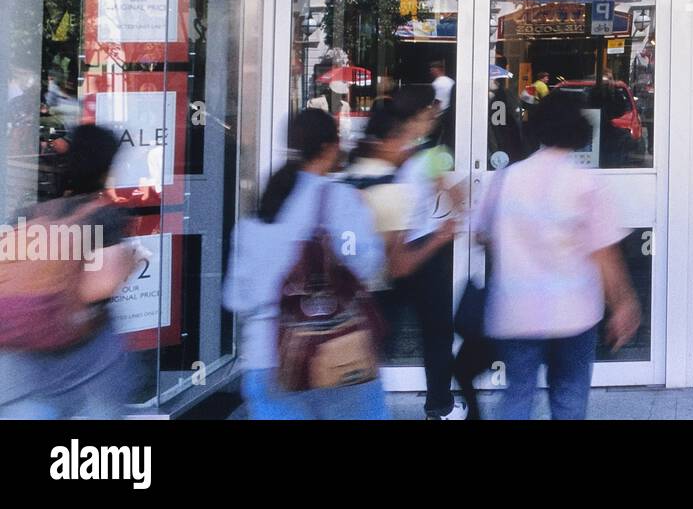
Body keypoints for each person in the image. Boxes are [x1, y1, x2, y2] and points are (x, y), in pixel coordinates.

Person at [478, 91, 640, 420]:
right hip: (573, 314)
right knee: (568, 398)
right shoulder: (587, 185)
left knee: (517, 396)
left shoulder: (504, 179)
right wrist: (623, 303)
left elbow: (484, 237)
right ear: (580, 130)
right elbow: (605, 255)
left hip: (515, 311)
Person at [223, 108, 388, 419]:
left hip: (265, 360)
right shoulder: (339, 200)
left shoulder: (260, 210)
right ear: (329, 147)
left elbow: (236, 297)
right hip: (334, 355)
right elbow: (365, 263)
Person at [0, 125, 144, 419]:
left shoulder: (31, 213)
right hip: (83, 363)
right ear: (107, 166)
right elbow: (98, 287)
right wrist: (129, 263)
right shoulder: (103, 216)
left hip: (18, 361)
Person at [346, 94, 465, 420]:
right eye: (427, 115)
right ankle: (439, 407)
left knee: (384, 333)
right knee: (435, 333)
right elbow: (455, 195)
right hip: (420, 251)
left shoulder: (391, 157)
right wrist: (450, 218)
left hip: (390, 253)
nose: (431, 122)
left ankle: (364, 402)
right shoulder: (423, 155)